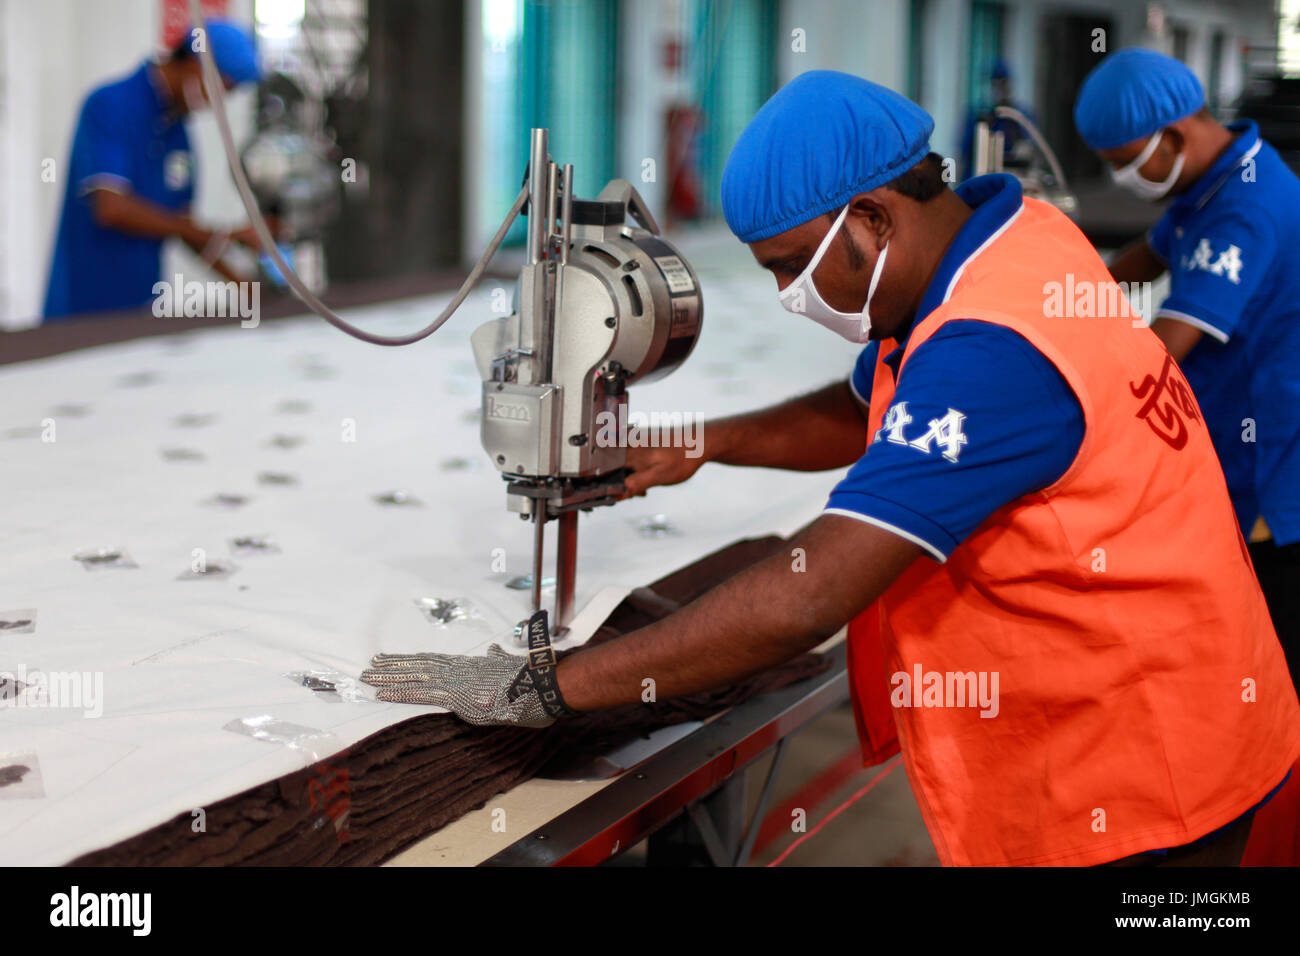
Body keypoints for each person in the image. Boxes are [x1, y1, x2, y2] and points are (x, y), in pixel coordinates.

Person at [362, 71, 1300, 866]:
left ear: (870, 216)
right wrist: (695, 441)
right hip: (1148, 701)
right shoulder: (1015, 245)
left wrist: (548, 687)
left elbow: (807, 597)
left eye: (788, 267)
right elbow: (864, 408)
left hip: (1143, 769)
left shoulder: (993, 350)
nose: (783, 297)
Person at [1075, 48, 1300, 688]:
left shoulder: (1244, 211)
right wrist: (1053, 288)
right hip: (1231, 439)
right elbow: (1146, 256)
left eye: (1126, 165)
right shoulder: (1215, 178)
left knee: (1269, 667)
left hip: (1271, 466)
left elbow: (1161, 351)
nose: (1122, 180)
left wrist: (1062, 389)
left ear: (1171, 136)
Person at [43, 19, 265, 321]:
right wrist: (224, 234)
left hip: (140, 307)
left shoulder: (177, 133)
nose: (218, 103)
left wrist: (244, 285)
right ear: (194, 63)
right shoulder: (110, 105)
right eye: (219, 88)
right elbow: (112, 209)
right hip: (84, 308)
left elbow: (182, 227)